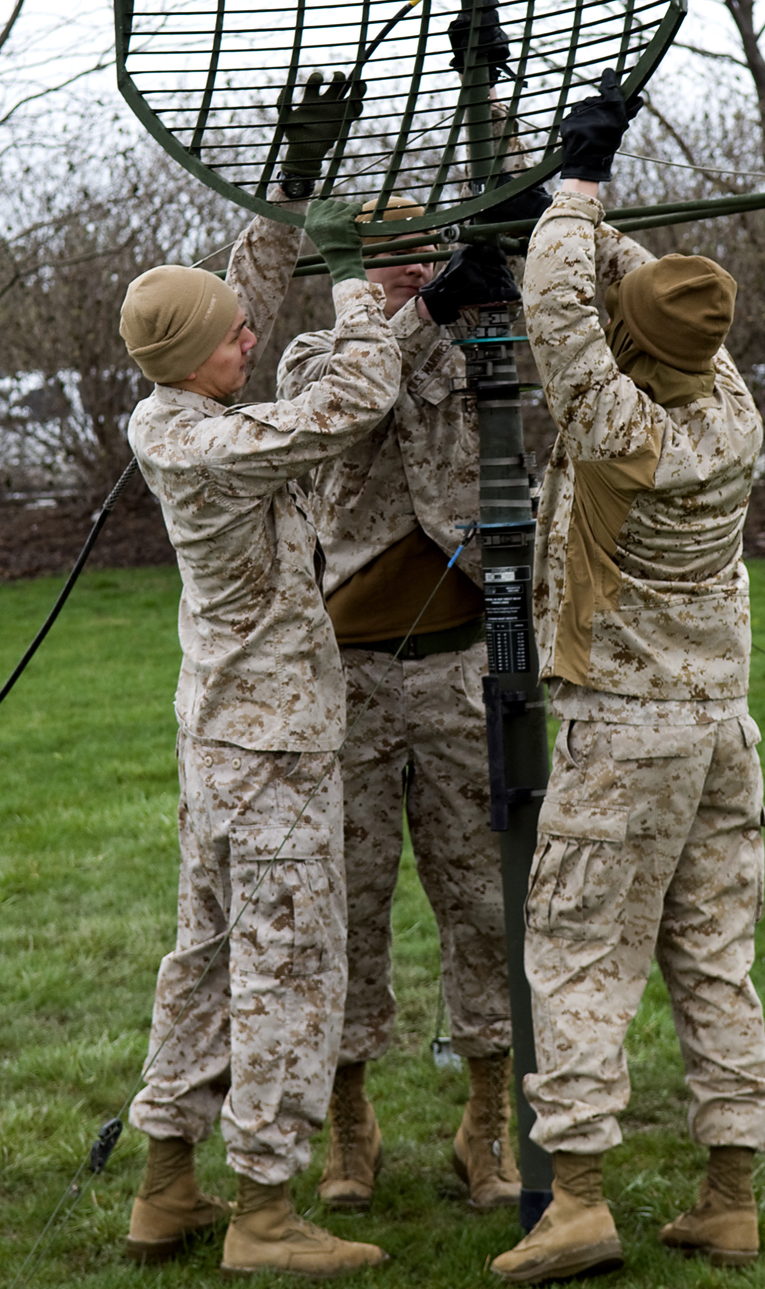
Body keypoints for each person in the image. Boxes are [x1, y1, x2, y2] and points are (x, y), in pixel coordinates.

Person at [119, 72, 402, 1279]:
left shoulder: (171, 412)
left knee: (207, 954)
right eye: (236, 336)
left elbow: (238, 308)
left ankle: (165, 1188)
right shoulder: (216, 447)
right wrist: (354, 276)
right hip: (273, 752)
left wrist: (289, 194)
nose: (253, 340)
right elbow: (357, 393)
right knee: (286, 965)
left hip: (218, 744)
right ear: (194, 359)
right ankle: (267, 1213)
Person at [491, 81, 765, 1283]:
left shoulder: (616, 426)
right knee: (713, 953)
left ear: (630, 352)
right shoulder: (732, 411)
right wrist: (603, 227)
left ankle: (581, 1198)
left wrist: (575, 190)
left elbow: (561, 314)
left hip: (624, 738)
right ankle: (730, 1193)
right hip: (722, 732)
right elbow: (662, 305)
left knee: (577, 954)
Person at [277, 200, 526, 1214]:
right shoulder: (312, 361)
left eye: (426, 256)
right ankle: (351, 1129)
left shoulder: (484, 342)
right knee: (350, 902)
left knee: (481, 900)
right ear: (351, 273)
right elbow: (353, 402)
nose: (411, 273)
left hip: (463, 668)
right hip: (356, 679)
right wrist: (421, 315)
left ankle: (486, 1124)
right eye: (388, 262)